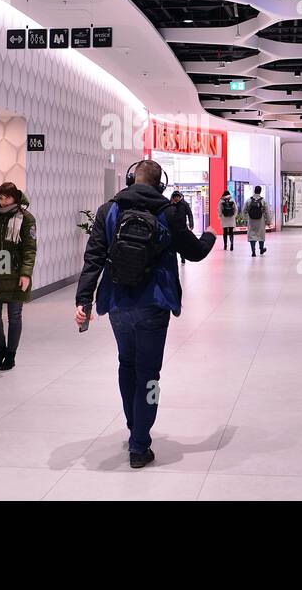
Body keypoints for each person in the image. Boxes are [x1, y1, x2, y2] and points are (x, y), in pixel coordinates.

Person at [75, 160, 215, 468]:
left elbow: (93, 257)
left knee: (127, 364)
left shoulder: (108, 211)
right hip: (154, 303)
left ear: (130, 179)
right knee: (149, 374)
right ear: (160, 184)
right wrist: (209, 235)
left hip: (117, 303)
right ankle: (139, 444)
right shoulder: (169, 212)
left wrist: (83, 300)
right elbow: (194, 252)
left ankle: (134, 427)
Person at [0, 181, 36, 371]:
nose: (3, 201)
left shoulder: (26, 218)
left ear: (15, 198)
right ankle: (1, 349)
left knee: (15, 316)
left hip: (16, 272)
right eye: (0, 197)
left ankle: (11, 355)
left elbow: (30, 249)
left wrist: (26, 274)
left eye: (7, 198)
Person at [244, 185, 272, 256]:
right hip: (260, 220)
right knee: (261, 235)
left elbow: (244, 211)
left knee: (252, 235)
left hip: (251, 221)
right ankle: (261, 249)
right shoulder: (263, 201)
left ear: (254, 191)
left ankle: (253, 251)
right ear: (260, 191)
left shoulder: (249, 200)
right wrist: (268, 221)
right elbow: (267, 212)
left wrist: (246, 219)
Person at [169, 191, 194, 265]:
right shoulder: (170, 204)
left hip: (182, 227)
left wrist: (191, 223)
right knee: (173, 245)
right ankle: (173, 260)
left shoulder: (184, 204)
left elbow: (189, 214)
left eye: (177, 197)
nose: (176, 198)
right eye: (175, 197)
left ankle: (183, 258)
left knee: (182, 244)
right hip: (172, 228)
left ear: (180, 197)